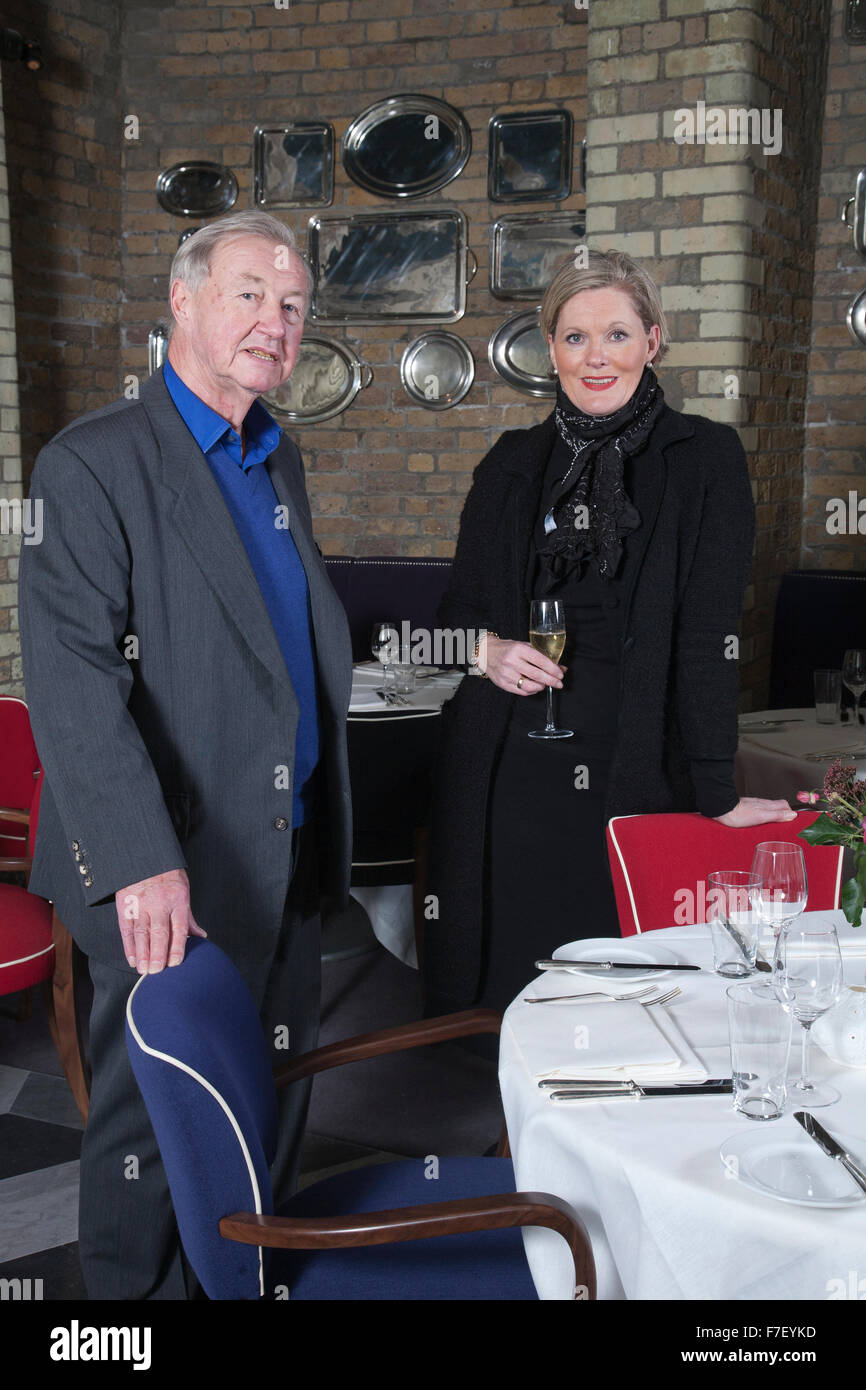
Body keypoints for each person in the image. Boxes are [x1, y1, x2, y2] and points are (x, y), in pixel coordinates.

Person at [18, 209, 353, 1299]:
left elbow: (272, 647)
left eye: (293, 303)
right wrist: (135, 860)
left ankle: (248, 1280)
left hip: (285, 845)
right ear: (184, 303)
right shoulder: (94, 462)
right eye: (250, 292)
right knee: (151, 1129)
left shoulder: (275, 454)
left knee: (269, 1098)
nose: (276, 320)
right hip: (169, 866)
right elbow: (71, 680)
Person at [424, 249, 796, 1018]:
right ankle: (512, 1119)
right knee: (513, 983)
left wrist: (715, 790)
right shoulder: (510, 463)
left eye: (618, 335)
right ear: (550, 348)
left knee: (622, 985)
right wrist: (485, 654)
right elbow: (456, 619)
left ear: (653, 341)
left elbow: (706, 636)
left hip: (634, 758)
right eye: (575, 337)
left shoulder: (706, 458)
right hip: (510, 763)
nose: (596, 358)